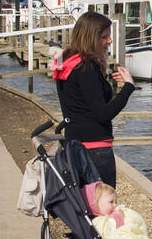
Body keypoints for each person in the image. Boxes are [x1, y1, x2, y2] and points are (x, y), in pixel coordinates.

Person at [51, 11, 134, 188]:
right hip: (95, 149)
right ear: (91, 38)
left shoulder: (67, 62)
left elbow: (82, 102)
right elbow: (103, 113)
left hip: (74, 144)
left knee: (83, 206)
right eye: (104, 37)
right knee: (102, 207)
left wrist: (103, 77)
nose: (109, 41)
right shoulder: (86, 69)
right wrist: (128, 87)